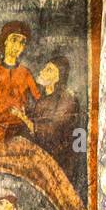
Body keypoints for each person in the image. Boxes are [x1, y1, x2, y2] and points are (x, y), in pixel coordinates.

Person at [0, 21, 40, 144]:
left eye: (22, 43)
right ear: (5, 41)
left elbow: (39, 97)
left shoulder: (25, 73)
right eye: (14, 40)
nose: (17, 46)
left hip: (21, 132)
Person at [31, 56, 81, 185]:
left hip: (60, 161)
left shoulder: (67, 99)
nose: (42, 71)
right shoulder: (41, 100)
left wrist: (25, 120)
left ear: (58, 77)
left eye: (49, 70)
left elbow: (53, 131)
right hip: (42, 157)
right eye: (45, 68)